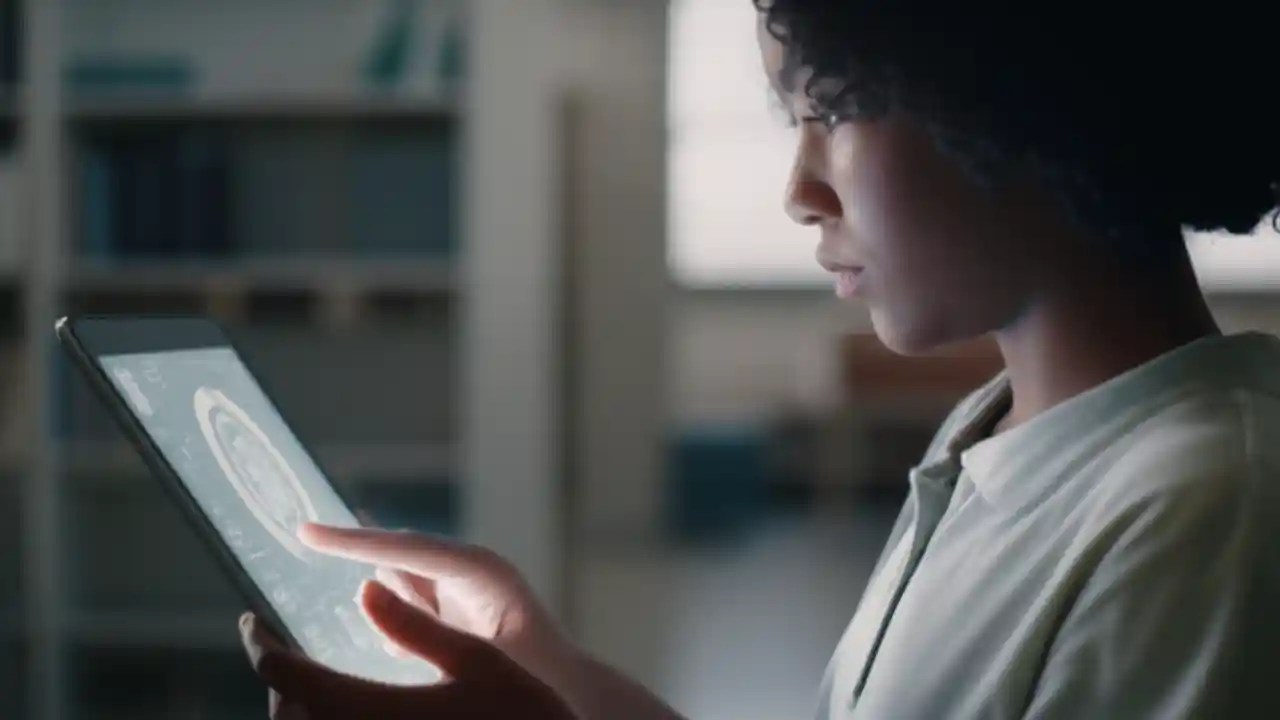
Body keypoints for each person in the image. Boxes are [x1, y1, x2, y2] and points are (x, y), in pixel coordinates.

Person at [240, 2, 1280, 718]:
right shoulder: (994, 437)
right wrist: (538, 660)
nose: (798, 191)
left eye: (833, 112)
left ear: (1026, 103)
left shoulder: (1208, 505)